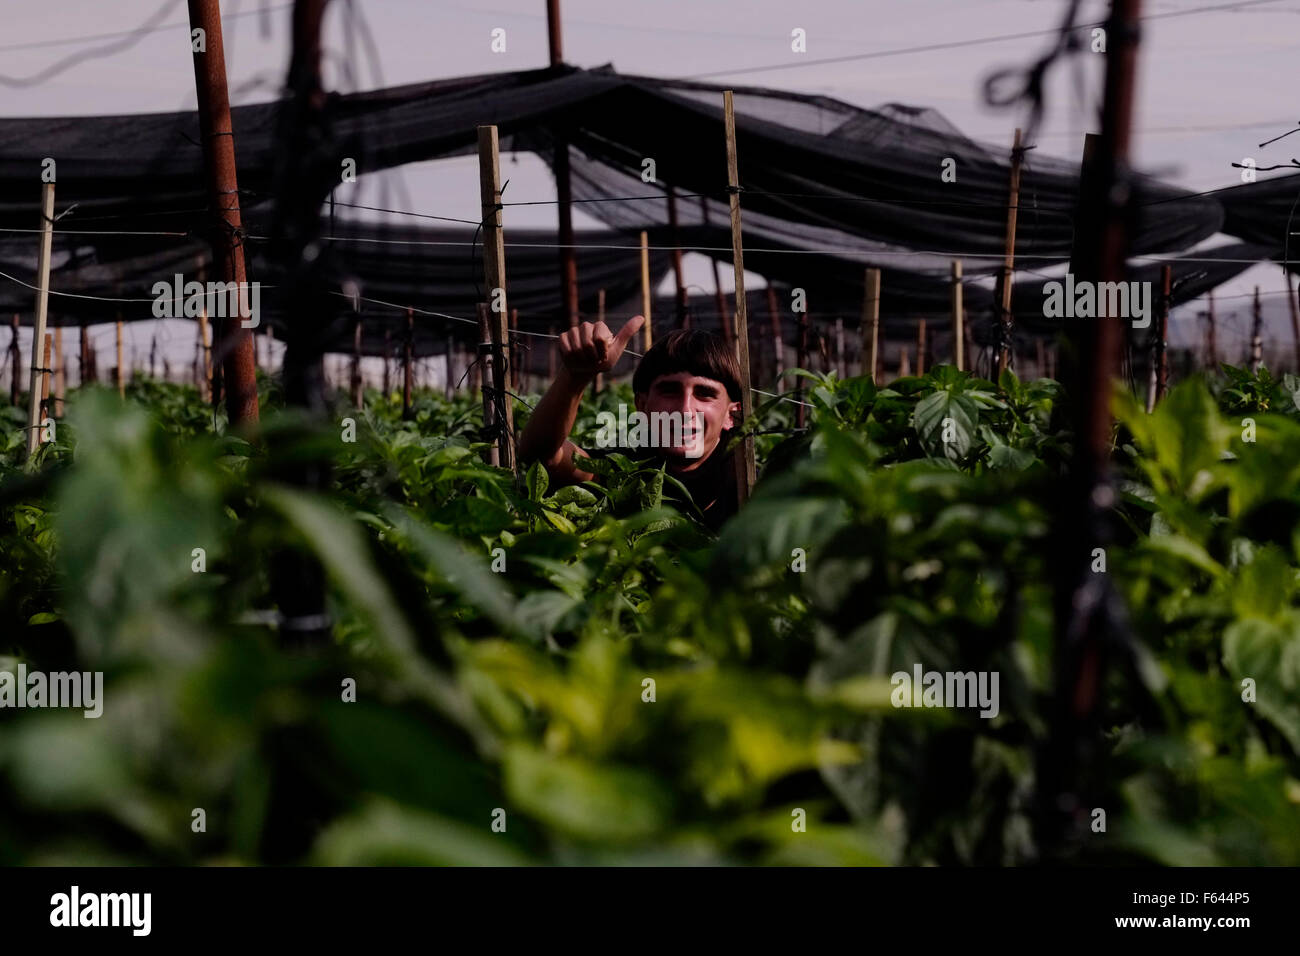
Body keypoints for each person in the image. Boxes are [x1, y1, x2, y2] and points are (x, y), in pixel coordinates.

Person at [518, 316, 744, 531]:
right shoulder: (624, 470)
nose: (685, 409)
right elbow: (544, 455)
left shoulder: (753, 483)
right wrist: (575, 376)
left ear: (730, 415)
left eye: (705, 393)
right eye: (669, 390)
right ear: (642, 405)